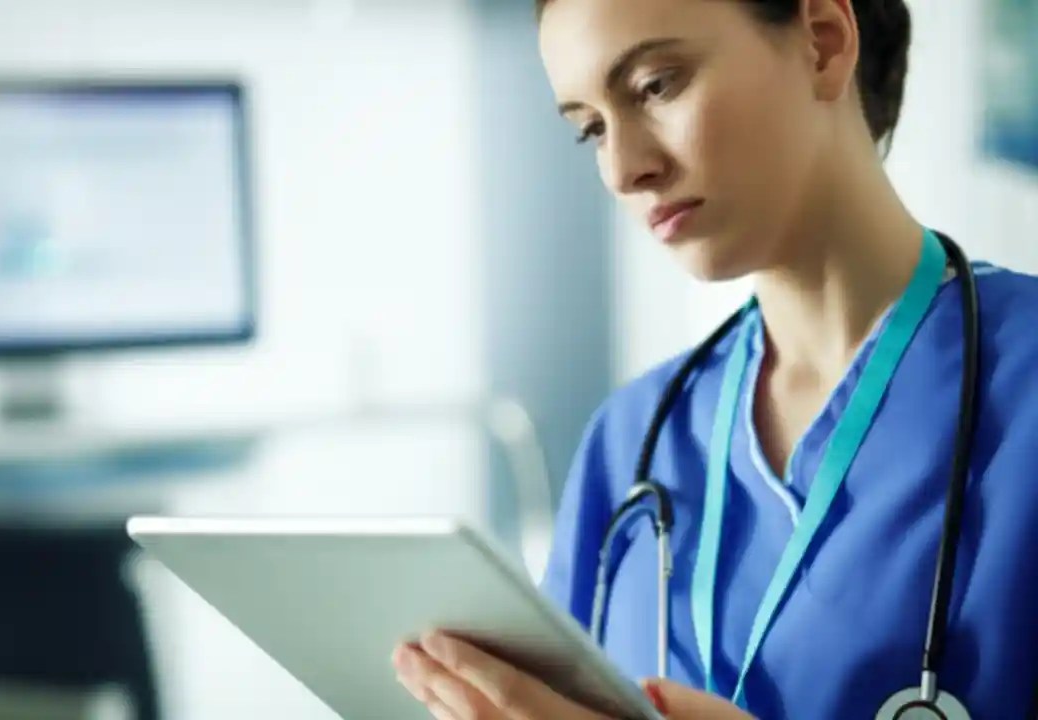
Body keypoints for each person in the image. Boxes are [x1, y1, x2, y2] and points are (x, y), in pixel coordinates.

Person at [392, 0, 1038, 717]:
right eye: (591, 129)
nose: (623, 169)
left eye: (656, 85)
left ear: (823, 43)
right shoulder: (633, 440)